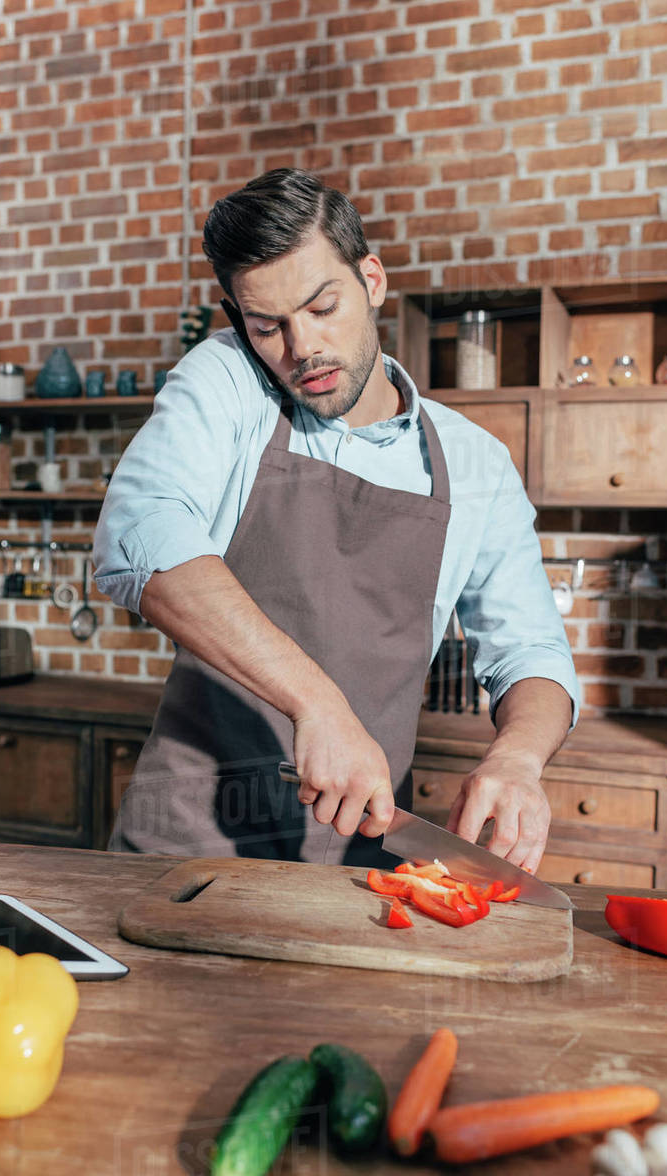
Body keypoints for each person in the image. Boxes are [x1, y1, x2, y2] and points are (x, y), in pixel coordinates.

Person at [93, 167, 578, 873]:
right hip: (185, 844)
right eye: (268, 326)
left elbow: (532, 652)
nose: (302, 349)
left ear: (371, 280)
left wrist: (518, 760)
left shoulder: (476, 465)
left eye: (323, 307)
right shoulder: (227, 380)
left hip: (363, 848)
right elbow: (140, 533)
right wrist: (316, 702)